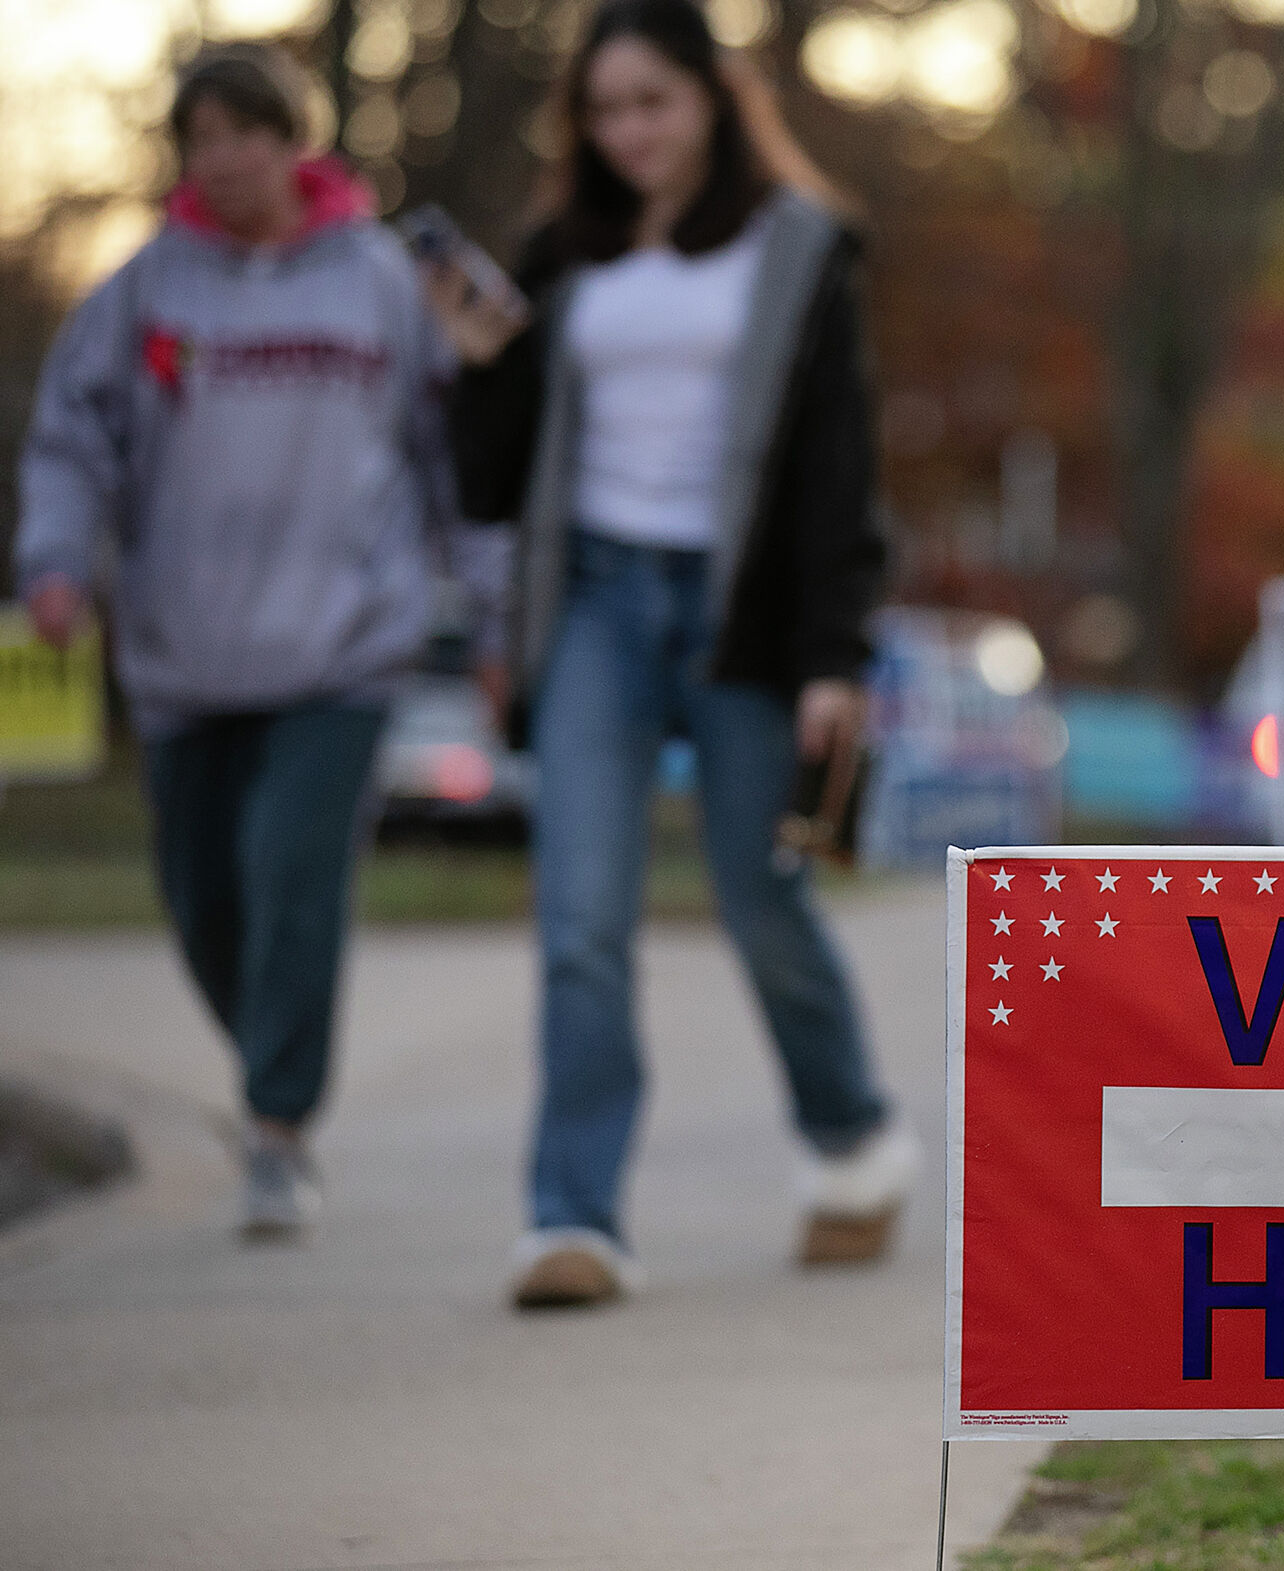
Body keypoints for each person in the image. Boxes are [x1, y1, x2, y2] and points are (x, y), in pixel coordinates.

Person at [429, 0, 916, 1310]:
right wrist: (480, 367)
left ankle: (856, 1137)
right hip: (592, 599)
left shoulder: (800, 244)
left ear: (712, 97)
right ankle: (572, 1218)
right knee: (584, 917)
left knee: (764, 901)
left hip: (744, 613)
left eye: (653, 100)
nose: (631, 130)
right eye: (607, 109)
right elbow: (491, 481)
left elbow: (837, 465)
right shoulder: (559, 254)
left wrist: (832, 653)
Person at [15, 44, 495, 1239]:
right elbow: (72, 440)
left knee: (291, 869)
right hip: (185, 649)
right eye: (204, 138)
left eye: (248, 133)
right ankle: (278, 1052)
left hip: (341, 644)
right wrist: (57, 561)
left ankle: (277, 1128)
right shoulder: (142, 293)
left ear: (298, 145)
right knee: (202, 900)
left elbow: (457, 457)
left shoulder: (382, 282)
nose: (225, 159)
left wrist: (494, 611)